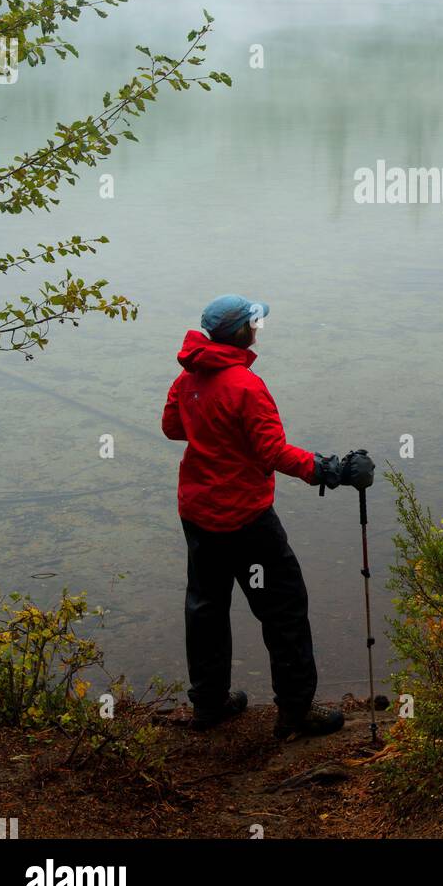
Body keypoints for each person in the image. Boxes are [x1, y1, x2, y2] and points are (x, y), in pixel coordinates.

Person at [161, 293, 375, 738]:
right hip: (245, 520)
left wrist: (212, 430)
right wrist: (331, 470)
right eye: (255, 324)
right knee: (284, 609)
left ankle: (209, 704)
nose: (258, 330)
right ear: (243, 332)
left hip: (198, 515)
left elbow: (173, 428)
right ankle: (295, 712)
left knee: (206, 608)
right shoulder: (244, 384)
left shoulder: (189, 378)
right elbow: (272, 452)